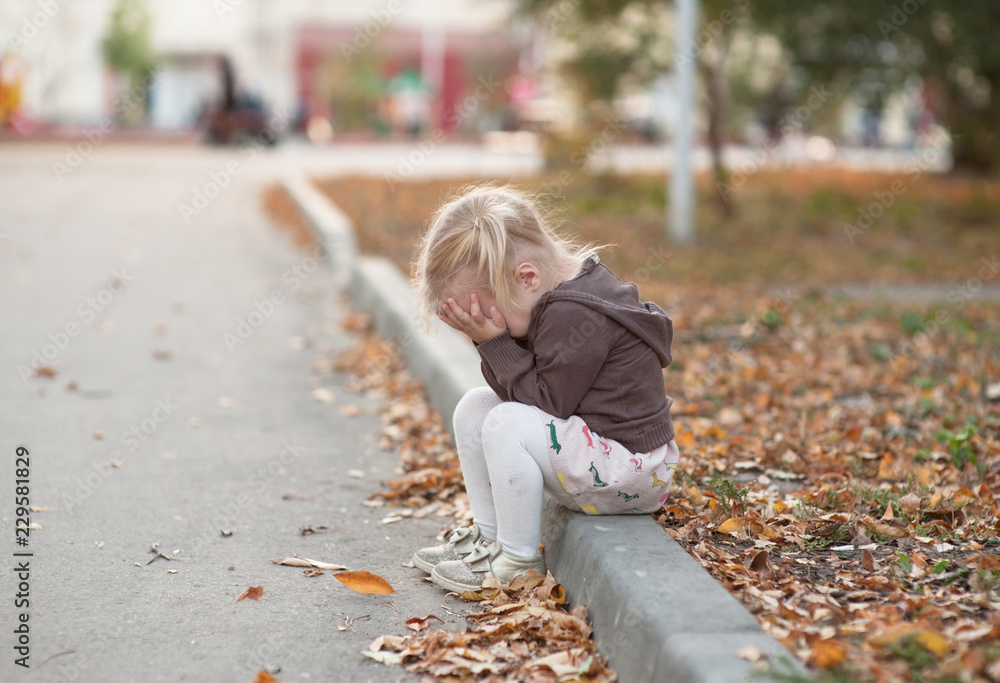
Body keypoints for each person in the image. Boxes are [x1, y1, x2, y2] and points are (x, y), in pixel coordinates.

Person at [409, 185, 679, 593]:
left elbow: (546, 404)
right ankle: (489, 539)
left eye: (487, 312)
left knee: (507, 422)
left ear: (527, 277)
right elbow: (519, 394)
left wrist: (492, 343)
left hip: (632, 472)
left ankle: (517, 561)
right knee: (475, 407)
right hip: (598, 455)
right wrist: (494, 340)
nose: (484, 325)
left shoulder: (573, 313)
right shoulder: (549, 295)